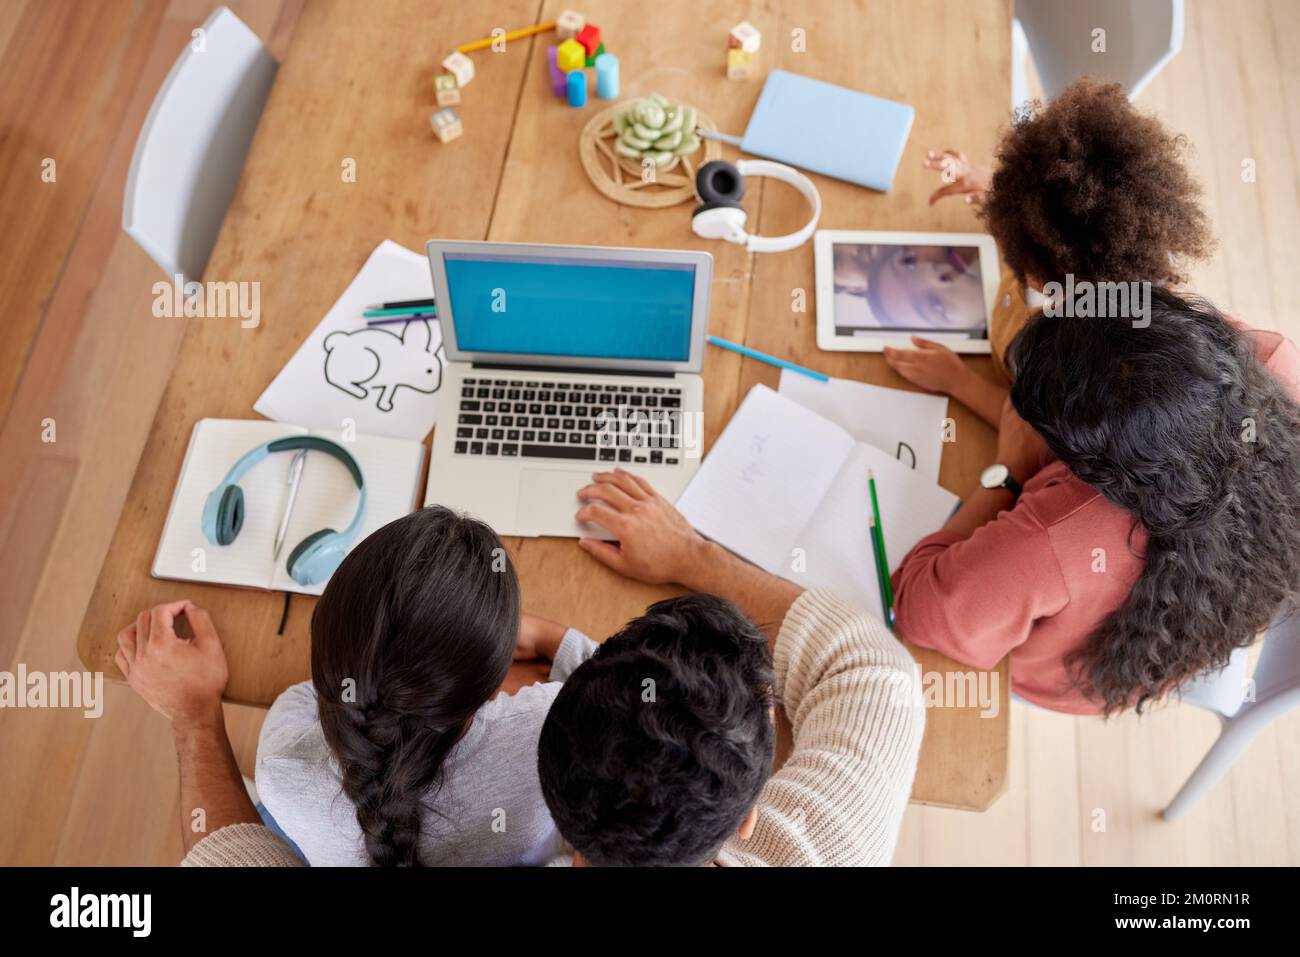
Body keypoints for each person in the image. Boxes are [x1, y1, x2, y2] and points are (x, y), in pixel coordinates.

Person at [122, 474, 926, 867]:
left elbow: (231, 859)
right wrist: (693, 556)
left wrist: (196, 718)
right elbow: (878, 678)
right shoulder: (821, 850)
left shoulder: (320, 759)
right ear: (746, 818)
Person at [893, 289, 1300, 714]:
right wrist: (964, 383)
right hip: (1197, 627)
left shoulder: (1061, 535)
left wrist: (1006, 473)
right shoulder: (1272, 364)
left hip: (1073, 673)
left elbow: (918, 607)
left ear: (1087, 462)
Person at [254, 506, 597, 866]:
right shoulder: (547, 731)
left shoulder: (281, 766)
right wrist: (550, 637)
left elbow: (302, 697)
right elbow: (635, 695)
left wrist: (367, 675)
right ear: (491, 684)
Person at [882, 78, 1214, 423]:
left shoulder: (1080, 371)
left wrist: (957, 382)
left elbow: (1033, 436)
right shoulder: (1112, 247)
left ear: (1041, 275)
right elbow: (1069, 190)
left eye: (1004, 231)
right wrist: (994, 184)